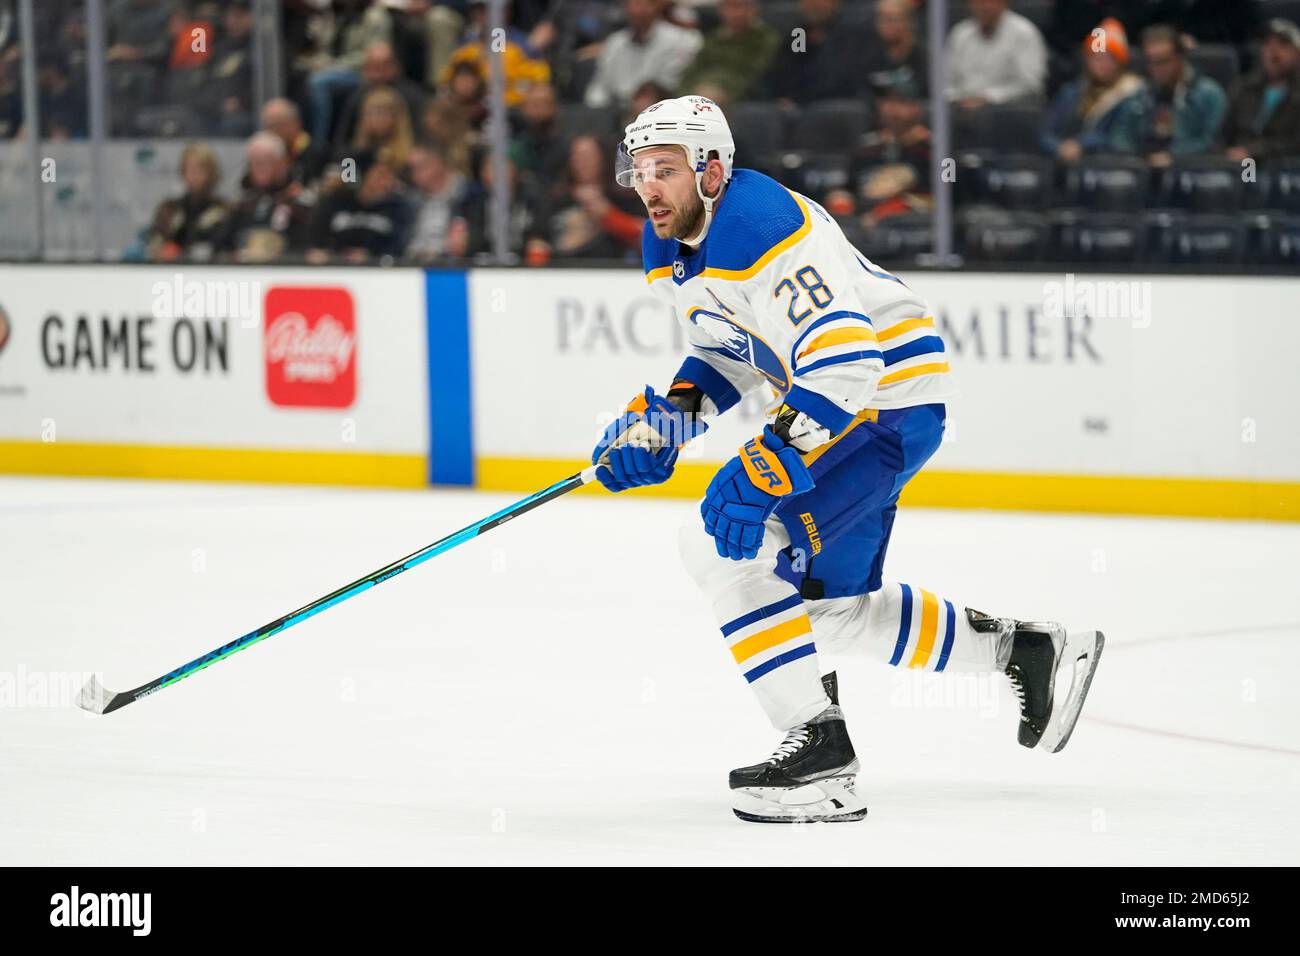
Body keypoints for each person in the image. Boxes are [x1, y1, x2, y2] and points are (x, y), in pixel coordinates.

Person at [592, 95, 1104, 823]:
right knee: (825, 611)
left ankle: (821, 756)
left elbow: (849, 360)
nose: (648, 187)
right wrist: (671, 422)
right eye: (639, 170)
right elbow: (727, 347)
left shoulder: (759, 227)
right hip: (857, 406)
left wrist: (770, 458)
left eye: (665, 169)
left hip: (881, 404)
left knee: (719, 541)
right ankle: (1025, 651)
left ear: (712, 170)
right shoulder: (671, 239)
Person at [1112, 23, 1227, 167]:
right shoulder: (1139, 93)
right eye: (1151, 62)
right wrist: (1136, 158)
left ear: (1180, 57)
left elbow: (1213, 140)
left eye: (1163, 62)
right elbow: (1120, 134)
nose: (1156, 69)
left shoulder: (1209, 94)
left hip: (1191, 168)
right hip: (1142, 166)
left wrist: (1174, 156)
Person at [1040, 18, 1143, 161]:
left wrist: (1081, 145)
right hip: (1064, 160)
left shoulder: (1131, 92)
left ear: (1120, 63)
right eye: (1097, 58)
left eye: (1109, 59)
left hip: (1105, 161)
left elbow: (1119, 137)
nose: (1102, 65)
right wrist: (1058, 147)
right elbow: (1046, 132)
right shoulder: (1071, 92)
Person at [584, 0, 701, 109]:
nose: (636, 10)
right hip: (616, 110)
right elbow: (600, 85)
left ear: (656, 6)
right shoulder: (615, 42)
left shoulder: (681, 40)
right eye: (632, 4)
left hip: (660, 108)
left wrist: (645, 100)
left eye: (642, 4)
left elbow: (670, 84)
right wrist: (595, 110)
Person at [221, 132, 314, 262]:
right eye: (252, 163)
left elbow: (307, 249)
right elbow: (222, 247)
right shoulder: (242, 204)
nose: (257, 168)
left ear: (282, 163)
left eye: (263, 162)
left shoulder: (300, 204)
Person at [1222, 18, 1300, 164]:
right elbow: (1223, 133)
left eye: (1282, 44)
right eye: (1267, 44)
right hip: (1236, 166)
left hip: (1282, 167)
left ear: (1297, 52)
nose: (1273, 51)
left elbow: (1296, 143)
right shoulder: (1244, 86)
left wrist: (1254, 152)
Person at [945, 0, 1048, 109]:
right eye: (979, 2)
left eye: (991, 2)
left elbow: (1030, 84)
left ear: (1004, 3)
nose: (985, 7)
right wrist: (957, 98)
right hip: (961, 104)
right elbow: (946, 81)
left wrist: (988, 98)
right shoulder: (960, 33)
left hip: (1005, 106)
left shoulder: (1024, 32)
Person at [677, 0, 778, 103]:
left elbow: (755, 74)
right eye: (728, 7)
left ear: (752, 10)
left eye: (739, 6)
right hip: (698, 89)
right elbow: (694, 69)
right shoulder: (714, 38)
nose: (734, 13)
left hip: (734, 92)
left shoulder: (765, 39)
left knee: (707, 96)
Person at [145, 142, 230, 262]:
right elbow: (154, 242)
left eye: (199, 169)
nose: (193, 175)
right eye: (189, 169)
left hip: (210, 270)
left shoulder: (224, 209)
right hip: (169, 270)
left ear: (211, 172)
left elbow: (225, 249)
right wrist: (162, 249)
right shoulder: (169, 208)